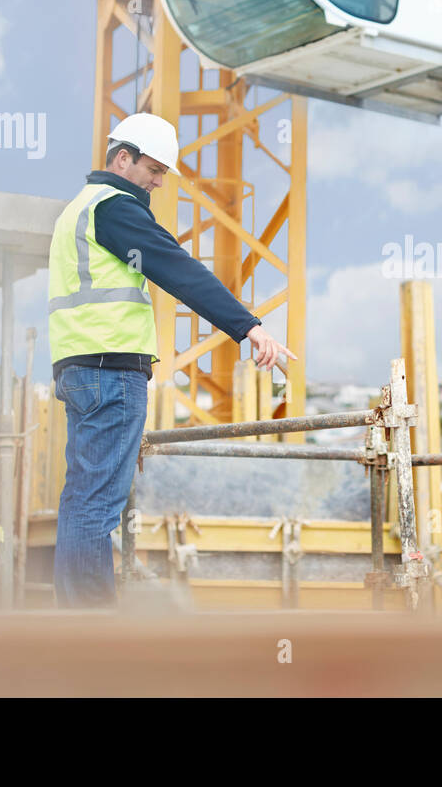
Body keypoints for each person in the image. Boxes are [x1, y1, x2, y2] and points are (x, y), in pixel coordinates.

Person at [47, 112, 294, 607]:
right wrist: (249, 326)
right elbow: (177, 268)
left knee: (81, 501)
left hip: (79, 370)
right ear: (124, 158)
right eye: (154, 170)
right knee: (97, 508)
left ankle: (76, 619)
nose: (159, 182)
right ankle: (91, 628)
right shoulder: (114, 207)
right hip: (110, 372)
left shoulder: (79, 206)